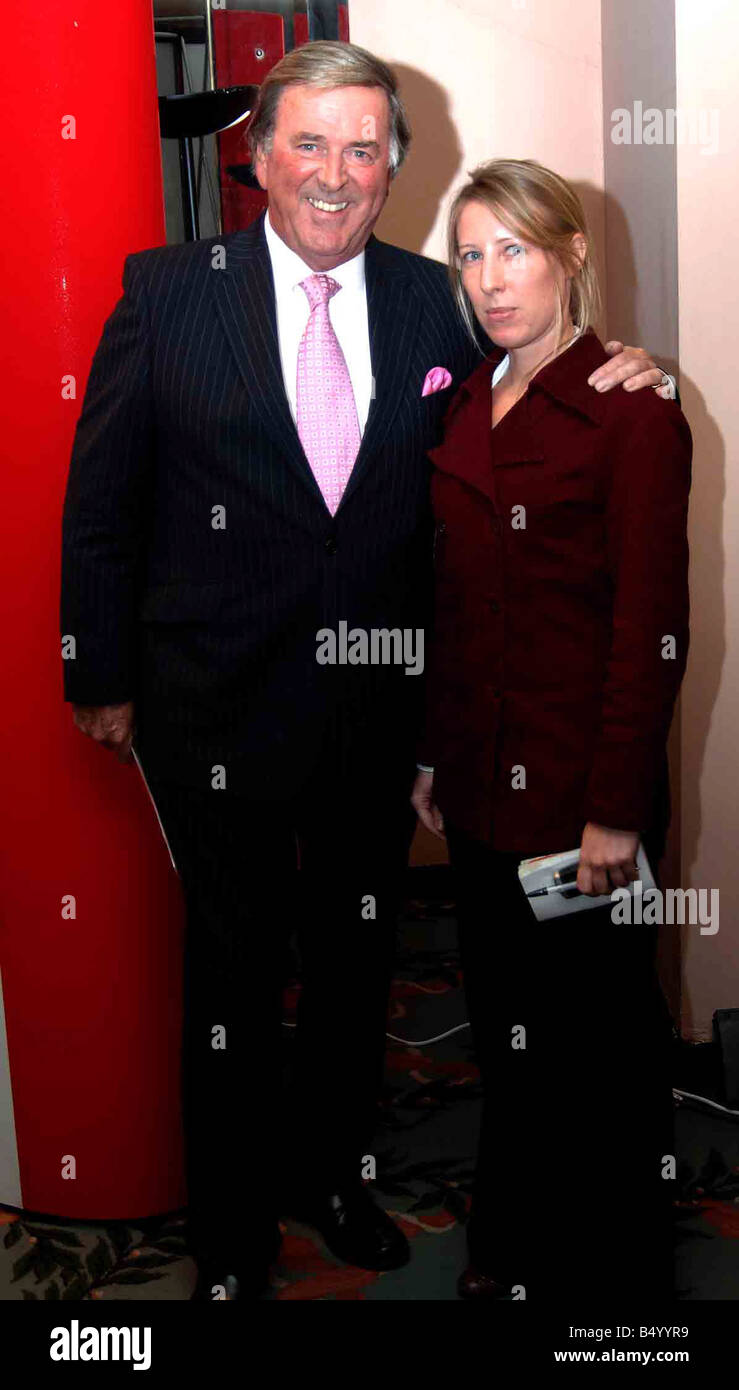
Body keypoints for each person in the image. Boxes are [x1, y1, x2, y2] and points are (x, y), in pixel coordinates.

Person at [61, 41, 672, 1302]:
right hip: (213, 706)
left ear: (393, 165)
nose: (335, 174)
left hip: (376, 720)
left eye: (363, 149)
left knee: (353, 967)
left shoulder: (433, 299)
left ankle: (336, 1180)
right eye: (308, 144)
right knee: (226, 979)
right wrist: (100, 672)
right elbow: (102, 505)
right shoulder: (167, 291)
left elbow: (538, 366)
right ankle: (229, 1233)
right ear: (258, 156)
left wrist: (637, 370)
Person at [412, 158, 691, 1302]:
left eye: (512, 250)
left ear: (570, 252)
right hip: (482, 788)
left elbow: (649, 630)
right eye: (470, 256)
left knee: (602, 1048)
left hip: (579, 800)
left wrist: (615, 811)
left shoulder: (630, 409)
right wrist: (432, 749)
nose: (489, 279)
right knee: (513, 1031)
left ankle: (617, 1273)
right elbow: (450, 597)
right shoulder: (467, 398)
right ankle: (513, 1240)